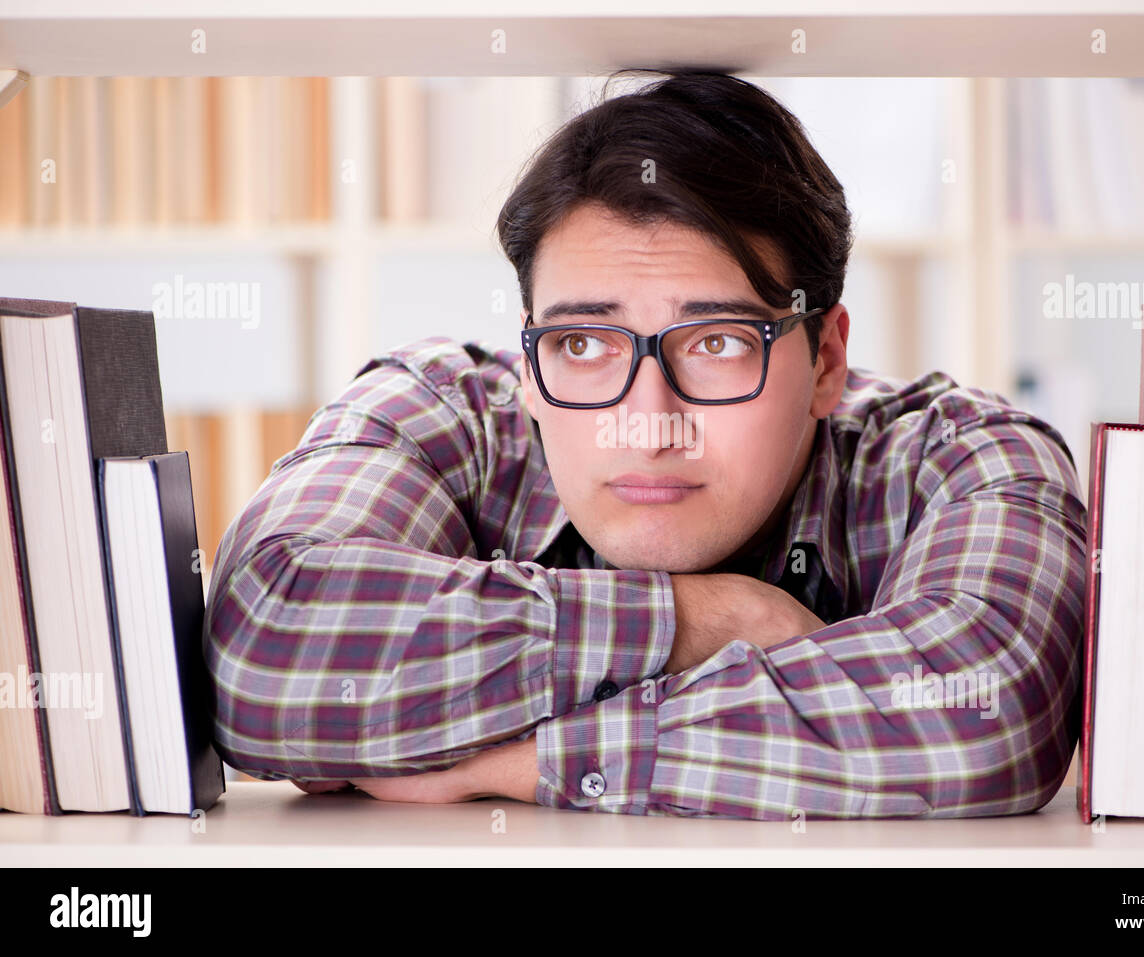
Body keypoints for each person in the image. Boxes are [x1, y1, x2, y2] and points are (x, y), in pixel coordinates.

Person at [203, 70, 1087, 820]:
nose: (648, 416)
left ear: (825, 359)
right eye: (584, 345)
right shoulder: (445, 410)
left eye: (717, 343)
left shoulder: (960, 453)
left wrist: (521, 764)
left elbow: (992, 704)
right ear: (528, 352)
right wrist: (707, 620)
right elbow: (261, 645)